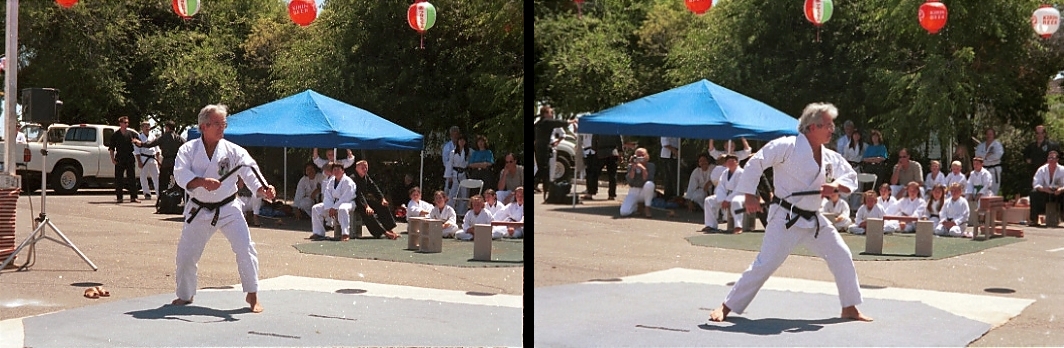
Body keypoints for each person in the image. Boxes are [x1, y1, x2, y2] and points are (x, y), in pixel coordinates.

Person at [707, 102, 872, 323]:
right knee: (765, 264)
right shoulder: (787, 146)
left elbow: (850, 176)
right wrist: (748, 194)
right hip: (786, 218)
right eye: (828, 125)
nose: (833, 129)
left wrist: (836, 186)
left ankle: (849, 308)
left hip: (814, 219)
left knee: (841, 255)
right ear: (812, 127)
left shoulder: (829, 156)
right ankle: (726, 307)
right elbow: (756, 162)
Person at [172, 103, 276, 313]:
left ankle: (252, 295)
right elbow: (180, 174)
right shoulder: (188, 150)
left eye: (224, 124)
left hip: (228, 207)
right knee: (186, 255)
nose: (222, 128)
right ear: (203, 126)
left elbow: (250, 171)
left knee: (245, 248)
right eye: (216, 124)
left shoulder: (234, 151)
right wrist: (201, 182)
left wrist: (263, 189)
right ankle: (185, 294)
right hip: (199, 209)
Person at [350, 160, 400, 240]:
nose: (365, 169)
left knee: (382, 206)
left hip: (364, 200)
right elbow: (359, 194)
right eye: (362, 167)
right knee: (368, 212)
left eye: (366, 167)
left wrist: (382, 199)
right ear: (357, 168)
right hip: (354, 201)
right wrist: (367, 206)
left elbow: (374, 187)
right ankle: (384, 232)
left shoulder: (366, 177)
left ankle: (389, 229)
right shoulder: (353, 178)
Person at [134, 120, 186, 196]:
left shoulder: (163, 137)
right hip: (176, 162)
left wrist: (141, 144)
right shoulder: (179, 138)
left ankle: (162, 198)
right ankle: (182, 197)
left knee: (163, 181)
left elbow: (151, 144)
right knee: (177, 180)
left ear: (167, 128)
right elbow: (187, 146)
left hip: (166, 162)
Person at [310, 162, 356, 241]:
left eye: (338, 169)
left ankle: (345, 233)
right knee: (316, 208)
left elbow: (346, 197)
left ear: (343, 171)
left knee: (342, 208)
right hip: (333, 204)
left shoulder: (348, 181)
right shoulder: (331, 181)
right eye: (334, 169)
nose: (336, 171)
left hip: (348, 203)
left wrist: (335, 207)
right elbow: (327, 195)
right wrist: (330, 207)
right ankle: (318, 233)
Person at [534, 106, 574, 193]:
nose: (552, 115)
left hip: (538, 146)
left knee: (541, 167)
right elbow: (558, 122)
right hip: (544, 146)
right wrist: (571, 121)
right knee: (545, 167)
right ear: (545, 114)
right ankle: (546, 187)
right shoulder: (547, 121)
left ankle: (541, 185)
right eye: (550, 113)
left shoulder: (538, 123)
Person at [702, 154, 745, 234]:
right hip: (726, 196)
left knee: (736, 202)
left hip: (740, 196)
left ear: (737, 162)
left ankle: (738, 227)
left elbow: (739, 189)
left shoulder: (741, 172)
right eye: (728, 161)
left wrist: (728, 199)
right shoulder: (725, 173)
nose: (730, 163)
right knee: (709, 200)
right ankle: (711, 225)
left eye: (732, 161)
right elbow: (721, 187)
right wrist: (723, 199)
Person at [109, 116, 141, 203]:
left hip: (129, 157)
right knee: (119, 178)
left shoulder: (131, 133)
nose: (126, 124)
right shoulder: (115, 135)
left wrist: (136, 141)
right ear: (120, 123)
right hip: (120, 157)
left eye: (127, 123)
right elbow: (111, 148)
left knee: (132, 178)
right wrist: (112, 159)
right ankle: (119, 197)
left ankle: (134, 197)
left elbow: (139, 142)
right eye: (125, 122)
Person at [1028, 151, 1064, 227]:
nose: (1051, 160)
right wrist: (1044, 189)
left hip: (1059, 192)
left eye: (1053, 158)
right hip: (1045, 192)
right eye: (1049, 158)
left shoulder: (1062, 169)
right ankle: (1034, 220)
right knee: (1033, 193)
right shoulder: (1041, 169)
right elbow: (1036, 184)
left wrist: (1061, 189)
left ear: (1057, 159)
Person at [621, 147, 656, 218]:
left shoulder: (651, 166)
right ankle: (636, 207)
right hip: (634, 190)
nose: (640, 157)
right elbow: (630, 181)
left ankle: (647, 208)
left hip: (645, 191)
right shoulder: (631, 166)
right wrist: (633, 168)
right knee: (624, 212)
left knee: (649, 184)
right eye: (638, 155)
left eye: (642, 155)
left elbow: (648, 179)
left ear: (647, 156)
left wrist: (643, 169)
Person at [587, 134, 622, 201]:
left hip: (601, 152)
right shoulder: (615, 128)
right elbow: (619, 141)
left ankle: (591, 192)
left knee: (594, 174)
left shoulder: (599, 127)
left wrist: (595, 148)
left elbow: (594, 141)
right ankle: (612, 195)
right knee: (612, 175)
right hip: (613, 153)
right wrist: (620, 151)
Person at [135, 121, 162, 200]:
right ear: (142, 128)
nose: (147, 128)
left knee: (156, 176)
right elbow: (137, 151)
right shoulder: (139, 137)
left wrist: (158, 159)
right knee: (143, 176)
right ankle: (146, 193)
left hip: (153, 158)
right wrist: (139, 161)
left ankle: (159, 193)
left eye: (148, 126)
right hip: (144, 158)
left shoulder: (153, 136)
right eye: (145, 127)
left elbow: (157, 149)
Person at [975, 128, 1004, 195]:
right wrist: (988, 155)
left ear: (994, 135)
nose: (989, 136)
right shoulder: (981, 145)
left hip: (994, 169)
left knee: (994, 189)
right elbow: (977, 155)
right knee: (982, 188)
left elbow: (997, 156)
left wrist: (984, 157)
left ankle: (992, 203)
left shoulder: (998, 145)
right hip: (984, 169)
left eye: (990, 134)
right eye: (987, 134)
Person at [447, 134, 471, 214]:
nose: (461, 142)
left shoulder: (468, 152)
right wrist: (449, 176)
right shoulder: (453, 152)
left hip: (463, 173)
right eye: (460, 140)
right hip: (455, 174)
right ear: (458, 142)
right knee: (453, 194)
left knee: (464, 194)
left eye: (463, 140)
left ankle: (462, 213)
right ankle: (449, 212)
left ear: (465, 142)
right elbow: (449, 164)